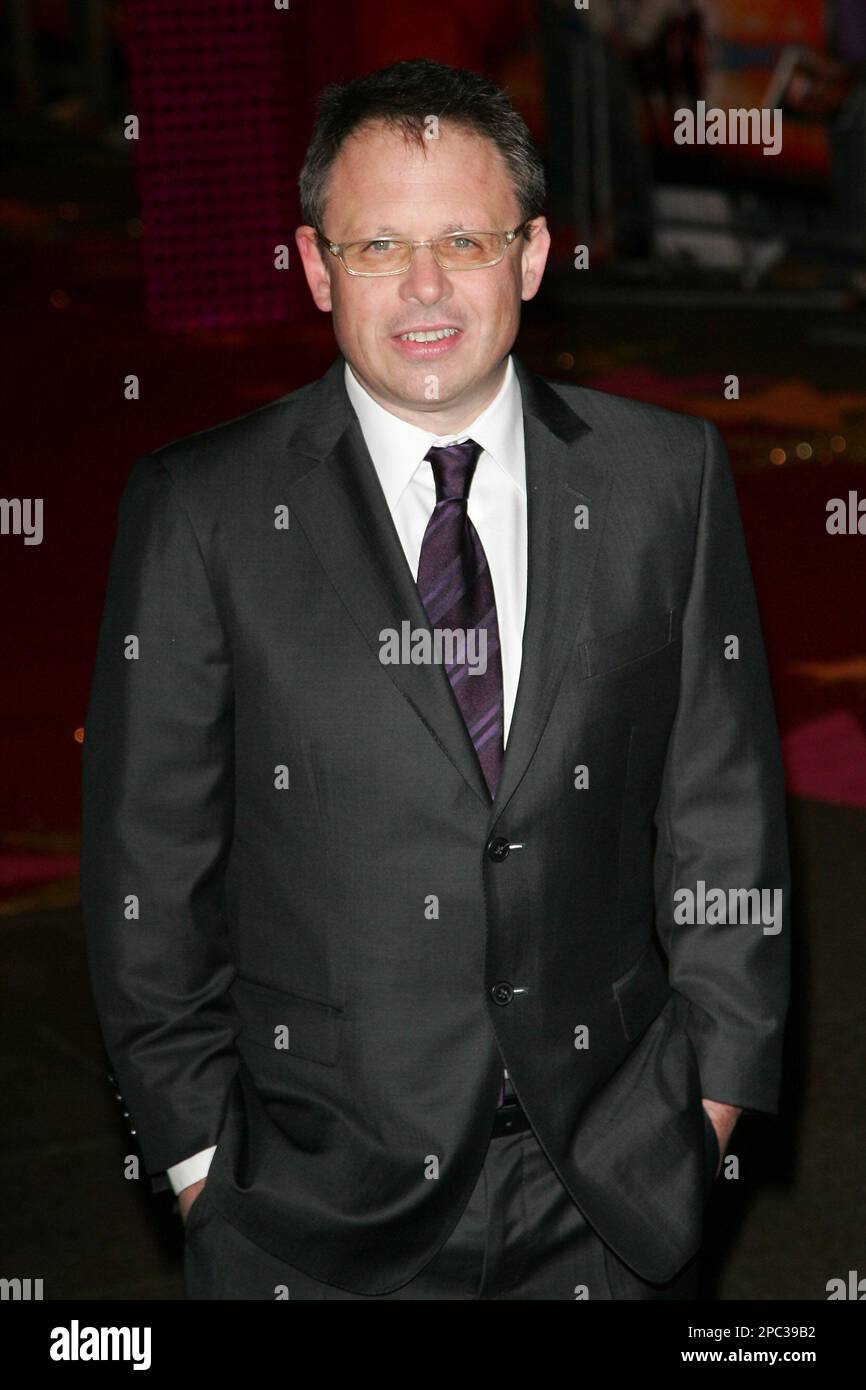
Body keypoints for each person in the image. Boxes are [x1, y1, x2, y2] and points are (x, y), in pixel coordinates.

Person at [81, 57, 790, 1300]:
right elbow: (150, 873)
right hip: (309, 1210)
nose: (422, 287)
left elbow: (724, 826)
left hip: (607, 1191)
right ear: (313, 267)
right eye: (376, 246)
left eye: (463, 238)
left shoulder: (661, 481)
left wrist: (708, 1108)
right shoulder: (203, 509)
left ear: (529, 257)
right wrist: (198, 1162)